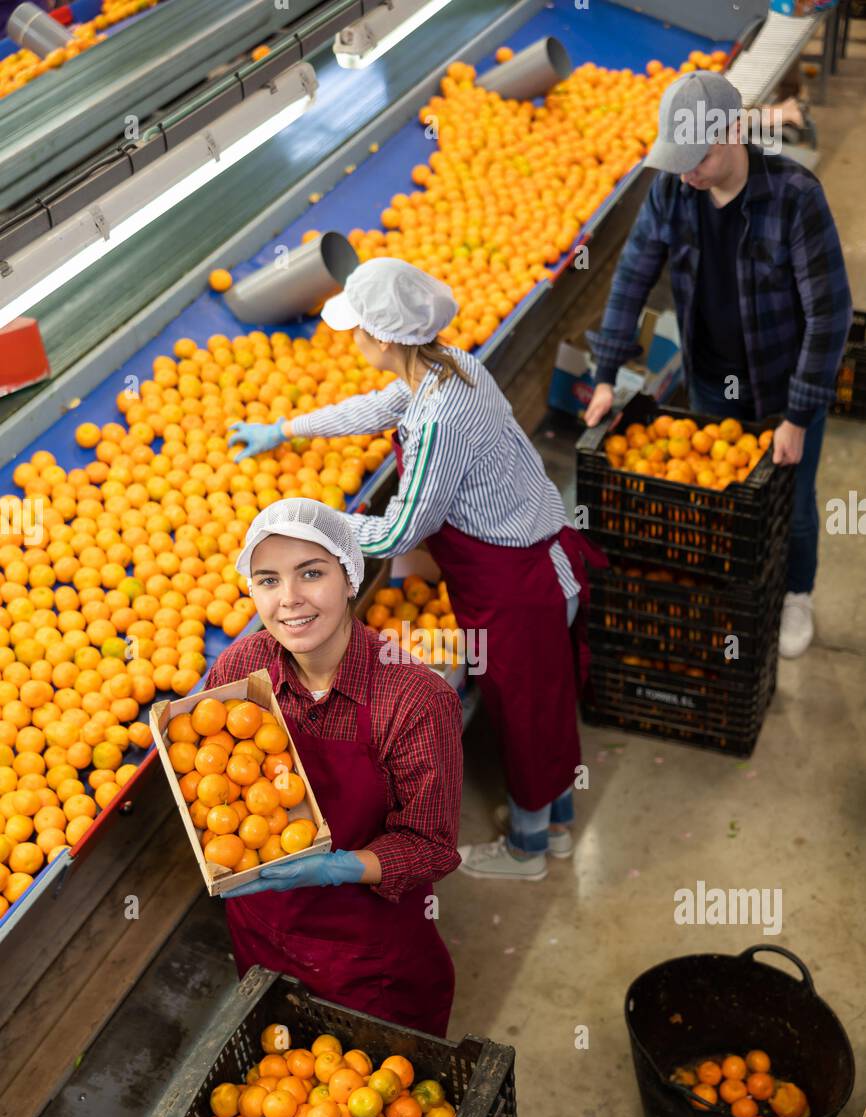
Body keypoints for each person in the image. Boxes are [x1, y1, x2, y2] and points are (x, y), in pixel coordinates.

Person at [229, 258, 606, 883]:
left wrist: (317, 532)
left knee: (524, 711)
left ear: (381, 339)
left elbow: (405, 528)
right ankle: (558, 824)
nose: (350, 339)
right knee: (544, 700)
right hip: (529, 562)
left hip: (518, 582)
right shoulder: (448, 367)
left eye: (355, 330)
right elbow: (375, 410)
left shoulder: (438, 419)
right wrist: (285, 429)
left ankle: (529, 850)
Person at [583, 70, 852, 659]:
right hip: (713, 380)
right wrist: (605, 374)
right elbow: (634, 274)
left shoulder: (795, 197)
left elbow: (830, 316)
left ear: (733, 132)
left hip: (785, 385)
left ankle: (795, 595)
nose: (686, 173)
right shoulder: (674, 192)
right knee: (724, 496)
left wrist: (799, 415)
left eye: (696, 158)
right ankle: (740, 594)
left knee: (793, 501)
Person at [203, 498, 462, 1038]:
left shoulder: (413, 699)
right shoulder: (239, 670)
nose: (289, 600)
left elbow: (430, 846)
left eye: (311, 574)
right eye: (268, 580)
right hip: (263, 925)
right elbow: (213, 775)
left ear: (349, 578)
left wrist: (338, 867)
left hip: (366, 950)